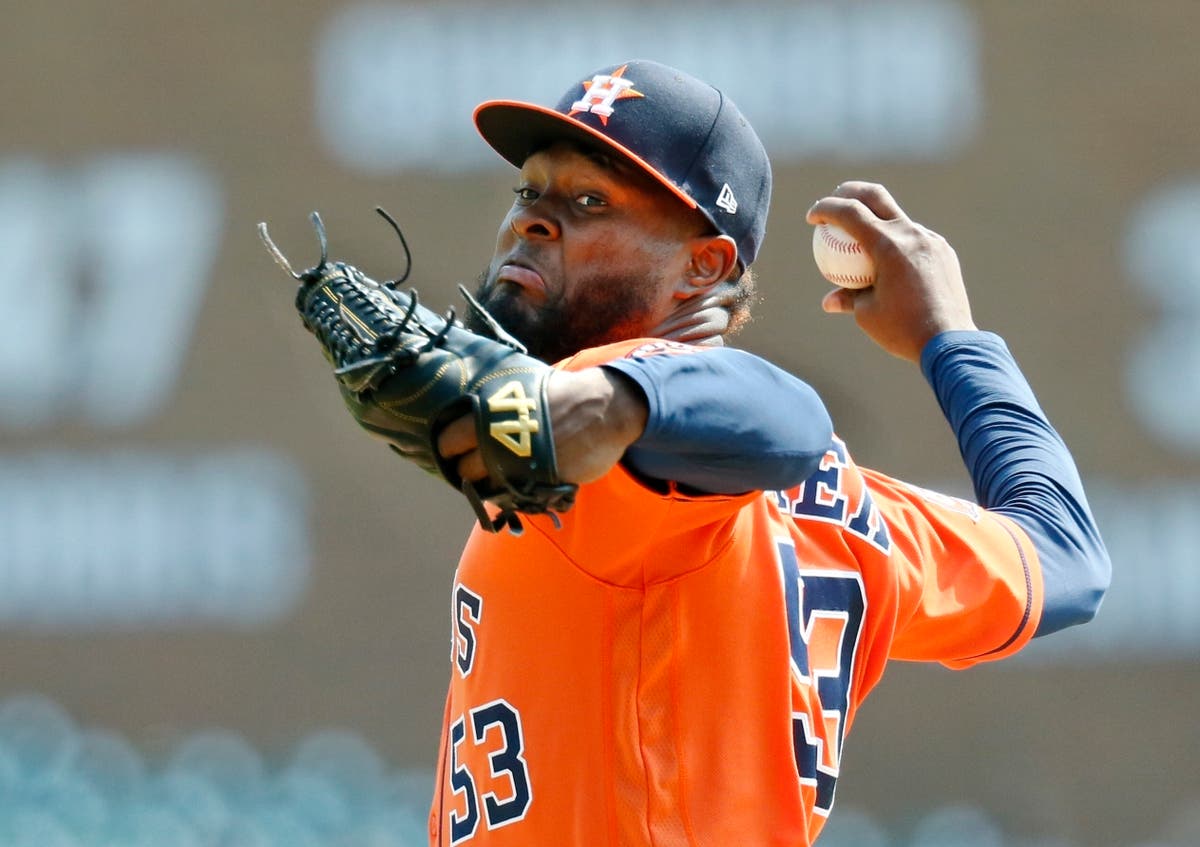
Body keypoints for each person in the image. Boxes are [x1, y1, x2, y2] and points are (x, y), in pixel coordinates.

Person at [425, 60, 1110, 846]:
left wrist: (606, 401)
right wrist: (952, 342)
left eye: (589, 200)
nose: (531, 221)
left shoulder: (607, 424)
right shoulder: (852, 517)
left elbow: (784, 415)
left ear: (704, 267)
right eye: (529, 192)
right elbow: (1067, 556)